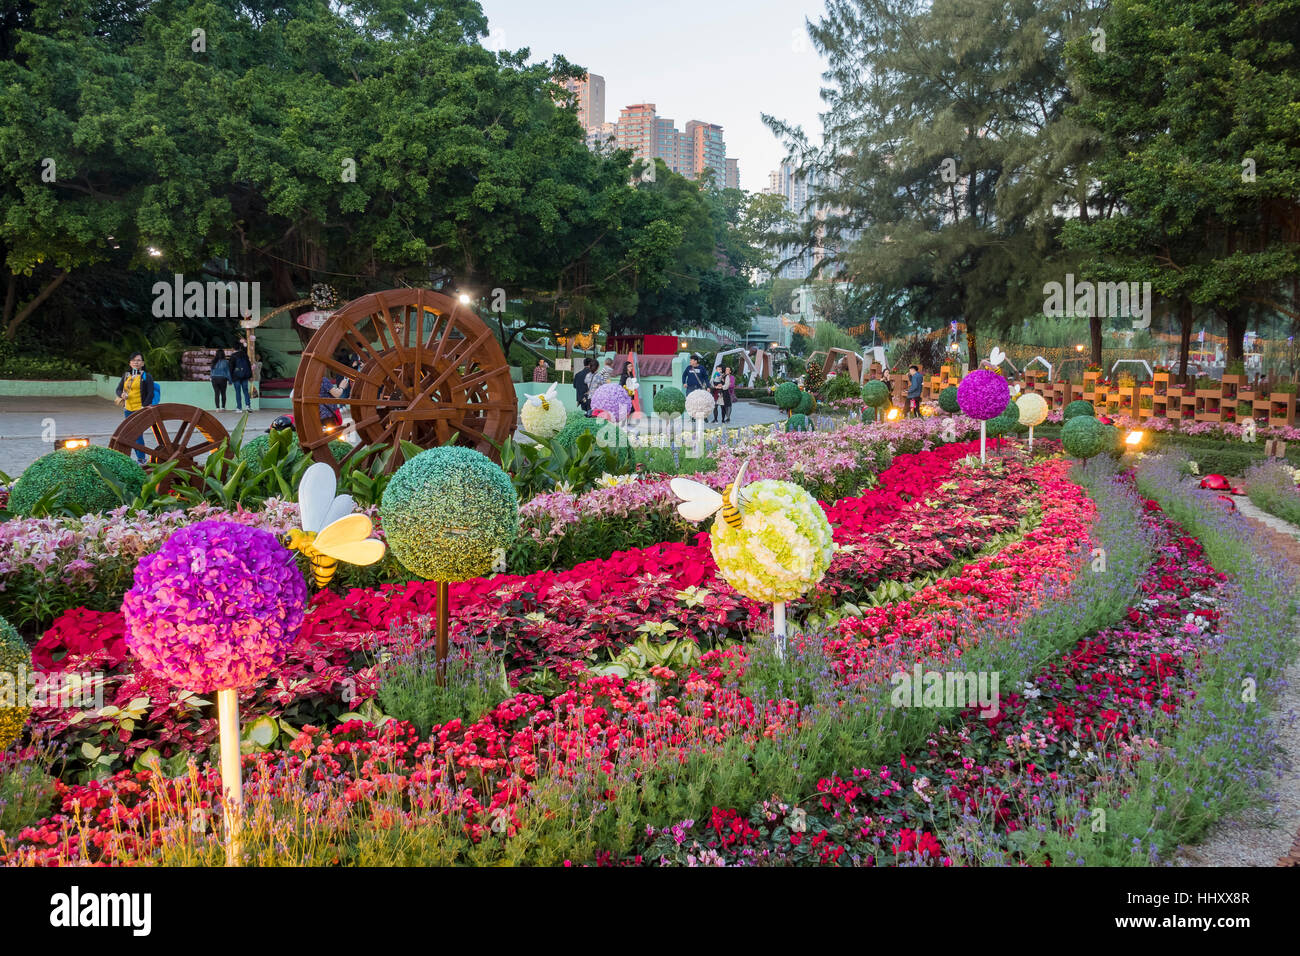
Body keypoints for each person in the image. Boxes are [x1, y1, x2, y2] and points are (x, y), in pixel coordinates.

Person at [114, 352, 156, 462]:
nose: (136, 362)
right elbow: (118, 389)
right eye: (133, 360)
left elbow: (151, 393)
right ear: (130, 363)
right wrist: (121, 394)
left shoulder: (147, 376)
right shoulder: (126, 375)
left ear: (142, 363)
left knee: (137, 434)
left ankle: (141, 458)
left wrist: (144, 406)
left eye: (138, 360)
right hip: (128, 409)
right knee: (131, 435)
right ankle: (140, 458)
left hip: (139, 409)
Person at [230, 344, 253, 411]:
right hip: (245, 376)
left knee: (238, 392)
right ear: (240, 348)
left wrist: (230, 378)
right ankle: (248, 406)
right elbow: (249, 366)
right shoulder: (245, 355)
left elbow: (231, 368)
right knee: (245, 391)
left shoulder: (233, 356)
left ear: (233, 348)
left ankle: (239, 408)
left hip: (236, 376)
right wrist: (250, 376)